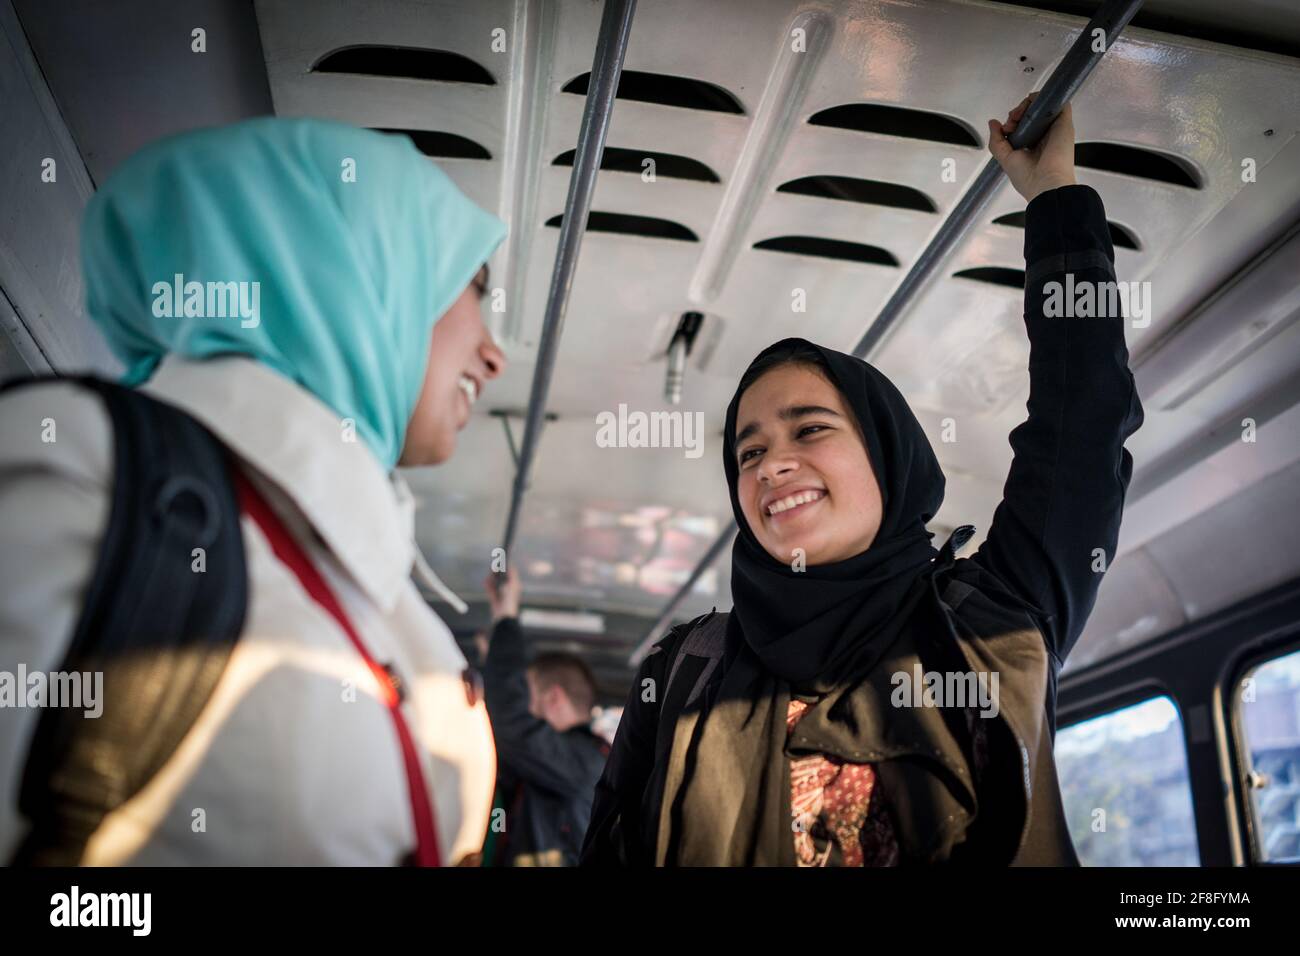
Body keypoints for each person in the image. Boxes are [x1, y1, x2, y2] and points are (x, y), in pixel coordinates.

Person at [581, 96, 1145, 866]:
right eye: (747, 453)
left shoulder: (997, 617)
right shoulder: (683, 668)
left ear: (888, 458)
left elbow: (1084, 422)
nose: (772, 464)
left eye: (810, 430)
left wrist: (1055, 198)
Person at [0, 118, 508, 865]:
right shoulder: (87, 472)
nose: (494, 356)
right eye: (473, 289)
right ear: (351, 271)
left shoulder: (374, 582)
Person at [480, 567, 609, 866]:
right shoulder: (568, 765)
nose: (522, 705)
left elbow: (510, 722)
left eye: (527, 696)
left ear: (553, 698)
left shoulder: (587, 765)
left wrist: (506, 616)